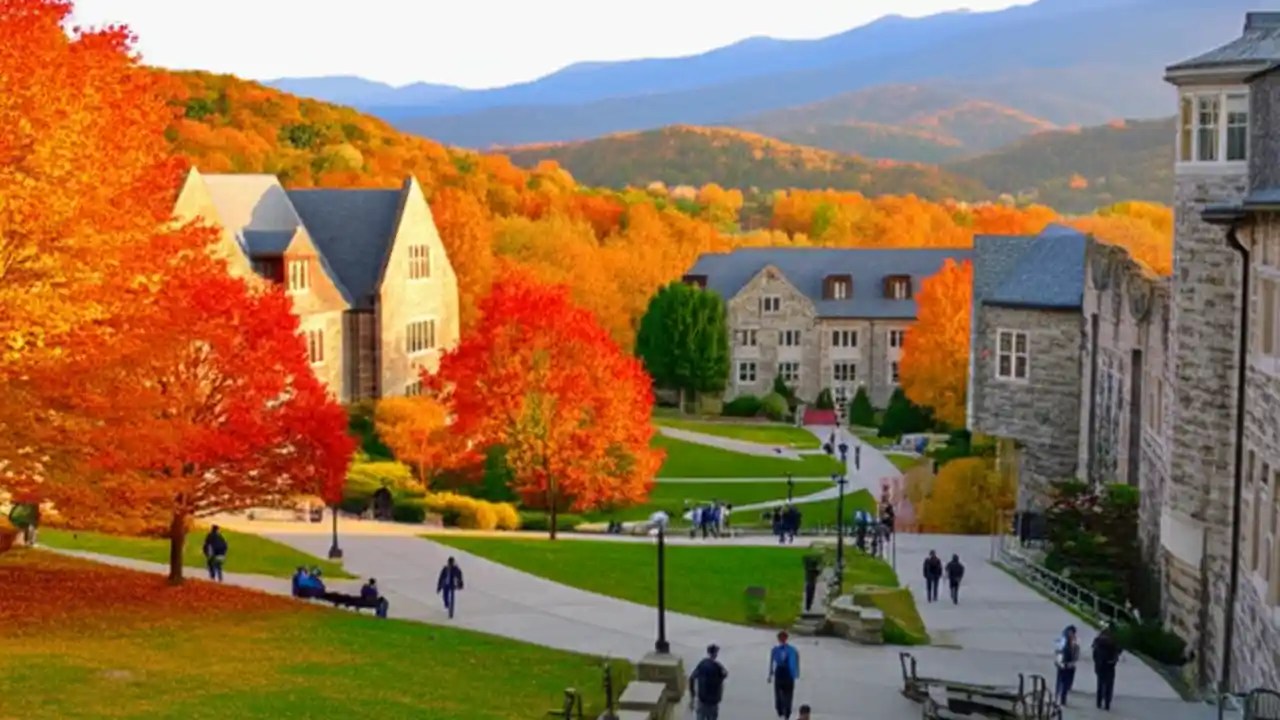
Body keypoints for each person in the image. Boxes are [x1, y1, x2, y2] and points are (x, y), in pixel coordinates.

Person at [688, 643, 728, 720]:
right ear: (716, 653)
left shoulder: (702, 664)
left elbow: (691, 678)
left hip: (702, 700)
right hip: (713, 701)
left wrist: (692, 697)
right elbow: (725, 674)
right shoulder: (718, 667)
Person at [768, 630, 800, 720]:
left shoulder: (778, 650)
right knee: (784, 693)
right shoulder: (790, 650)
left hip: (784, 672)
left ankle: (783, 709)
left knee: (783, 692)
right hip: (785, 672)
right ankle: (784, 709)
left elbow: (796, 661)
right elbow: (772, 662)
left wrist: (770, 673)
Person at [1092, 625, 1122, 710]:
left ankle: (1099, 702)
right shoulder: (1113, 641)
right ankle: (1107, 703)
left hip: (1100, 666)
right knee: (1109, 685)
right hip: (1110, 665)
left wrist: (1096, 662)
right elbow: (1119, 650)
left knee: (1100, 684)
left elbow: (1094, 654)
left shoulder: (1097, 641)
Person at [1054, 625, 1081, 706]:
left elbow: (1076, 653)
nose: (1071, 635)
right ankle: (1058, 697)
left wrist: (1073, 662)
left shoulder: (1074, 642)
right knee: (1060, 682)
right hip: (1063, 665)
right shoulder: (1065, 641)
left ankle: (1062, 698)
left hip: (1068, 665)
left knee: (1064, 683)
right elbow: (1058, 652)